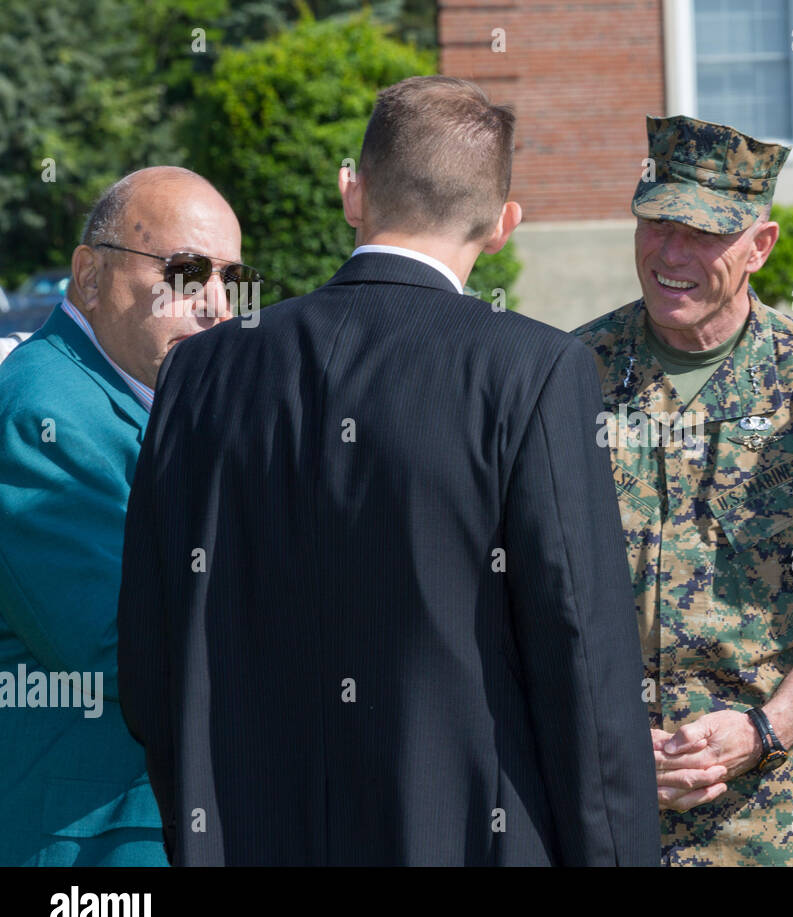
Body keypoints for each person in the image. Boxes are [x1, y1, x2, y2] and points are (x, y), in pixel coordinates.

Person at [117, 75, 660, 866]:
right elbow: (580, 655)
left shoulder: (202, 371)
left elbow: (151, 652)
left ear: (351, 192)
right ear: (504, 225)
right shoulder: (533, 369)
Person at [573, 115, 793, 866]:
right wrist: (601, 733)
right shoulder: (570, 377)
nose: (671, 253)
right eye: (659, 222)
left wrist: (764, 730)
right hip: (602, 807)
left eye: (703, 234)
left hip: (780, 824)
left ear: (760, 246)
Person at [0, 166, 247, 865]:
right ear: (88, 276)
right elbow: (118, 642)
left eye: (230, 276)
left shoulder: (132, 400)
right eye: (187, 271)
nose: (216, 305)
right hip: (92, 845)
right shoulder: (41, 412)